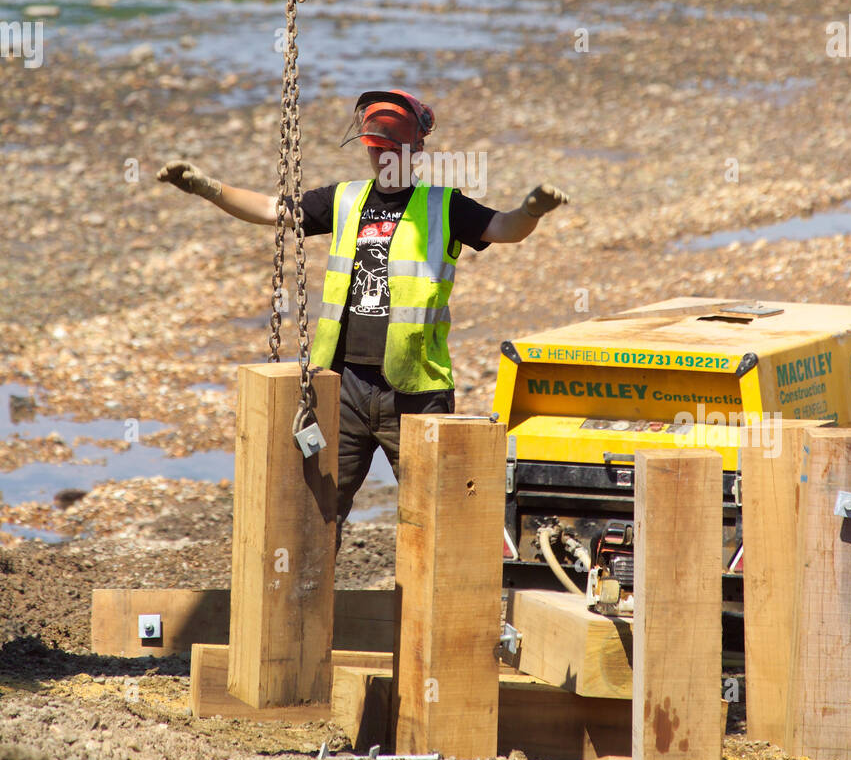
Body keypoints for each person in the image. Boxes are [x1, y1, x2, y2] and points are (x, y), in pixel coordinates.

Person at [158, 88, 568, 546]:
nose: (382, 159)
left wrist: (532, 210)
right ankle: (311, 609)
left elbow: (504, 229)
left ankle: (434, 613)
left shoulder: (443, 205)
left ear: (416, 152)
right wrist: (207, 188)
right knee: (319, 513)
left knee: (438, 516)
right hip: (344, 384)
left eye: (391, 150)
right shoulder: (345, 199)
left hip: (415, 388)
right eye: (377, 150)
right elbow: (275, 210)